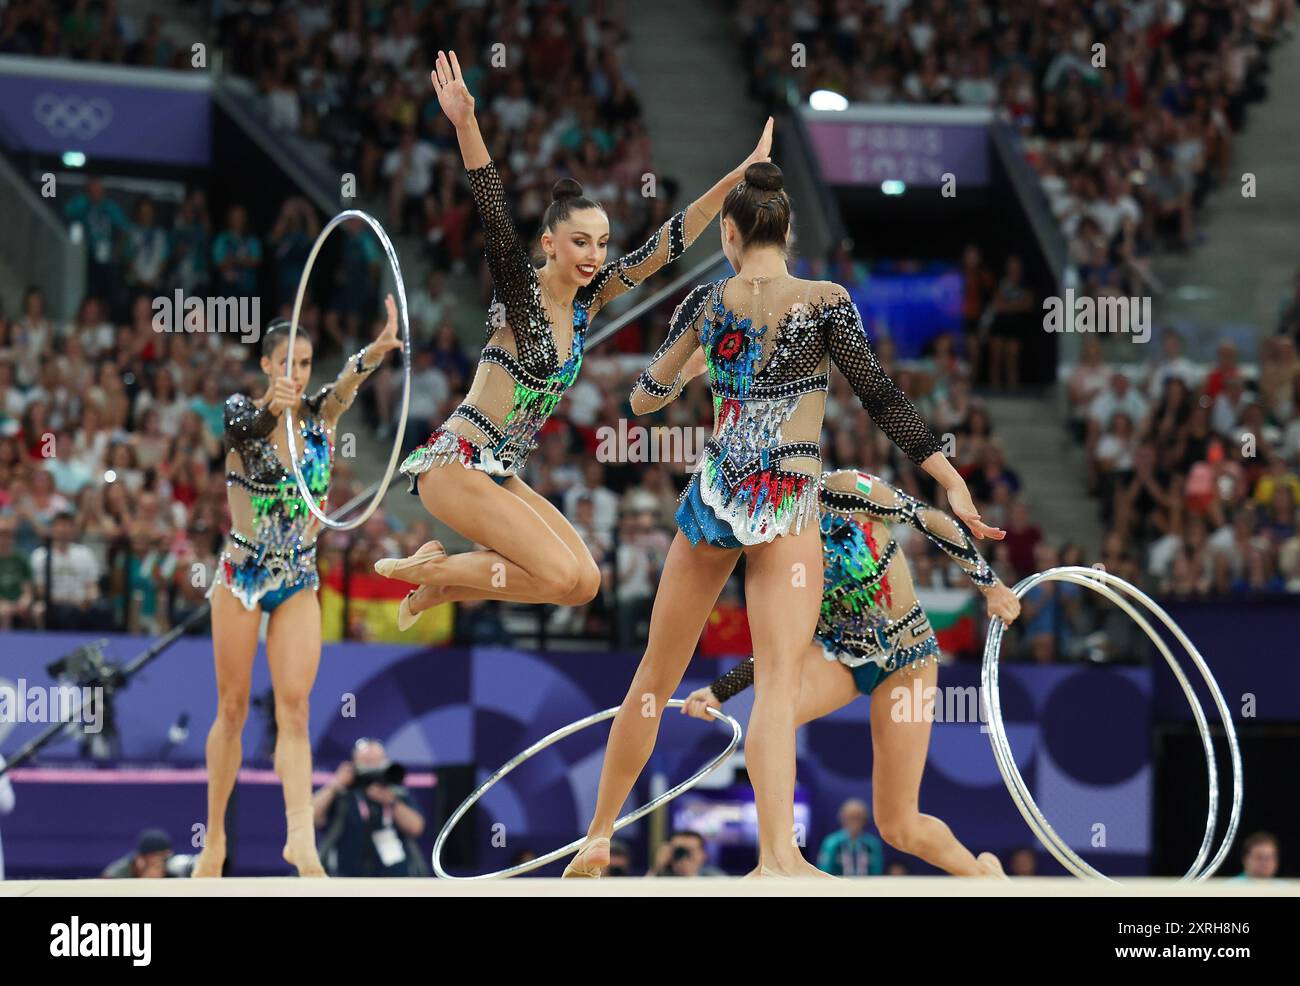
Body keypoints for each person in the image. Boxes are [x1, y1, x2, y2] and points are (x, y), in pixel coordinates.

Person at [563, 162, 995, 879]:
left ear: (728, 234)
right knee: (781, 681)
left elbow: (641, 399)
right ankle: (775, 858)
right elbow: (882, 399)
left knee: (654, 673)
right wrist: (948, 476)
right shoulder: (825, 300)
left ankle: (599, 833)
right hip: (785, 498)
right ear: (787, 230)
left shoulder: (707, 302)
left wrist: (696, 368)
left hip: (716, 496)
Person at [376, 51, 774, 629]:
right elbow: (491, 206)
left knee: (584, 583)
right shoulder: (521, 294)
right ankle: (433, 574)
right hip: (456, 465)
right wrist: (466, 124)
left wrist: (736, 181)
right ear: (549, 244)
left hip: (501, 472)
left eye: (602, 243)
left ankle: (438, 580)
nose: (594, 255)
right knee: (557, 576)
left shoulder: (588, 301)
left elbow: (667, 243)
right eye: (581, 242)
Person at [681, 469, 1016, 878]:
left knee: (899, 826)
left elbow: (927, 517)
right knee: (772, 716)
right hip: (839, 656)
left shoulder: (844, 490)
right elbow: (779, 653)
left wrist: (990, 586)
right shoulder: (768, 542)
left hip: (907, 657)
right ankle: (778, 859)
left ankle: (984, 879)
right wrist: (720, 690)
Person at [191, 306, 401, 878]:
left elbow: (347, 383)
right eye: (286, 361)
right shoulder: (242, 412)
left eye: (305, 362)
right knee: (232, 708)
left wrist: (379, 348)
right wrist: (270, 409)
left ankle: (300, 838)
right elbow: (248, 430)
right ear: (265, 363)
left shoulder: (319, 419)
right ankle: (213, 840)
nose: (298, 372)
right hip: (241, 576)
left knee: (297, 709)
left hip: (297, 577)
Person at [312, 739, 427, 877]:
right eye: (366, 762)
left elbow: (416, 827)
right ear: (354, 763)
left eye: (376, 762)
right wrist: (334, 785)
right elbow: (309, 818)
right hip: (345, 878)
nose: (372, 769)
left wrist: (392, 802)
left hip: (394, 879)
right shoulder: (342, 792)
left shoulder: (395, 791)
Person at [816, 799, 884, 876]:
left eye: (858, 818)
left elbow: (877, 872)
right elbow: (824, 870)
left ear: (865, 819)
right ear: (842, 818)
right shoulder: (832, 843)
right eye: (850, 818)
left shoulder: (872, 844)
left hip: (866, 886)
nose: (855, 822)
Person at [102, 829, 173, 879]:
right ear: (141, 859)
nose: (163, 862)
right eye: (160, 857)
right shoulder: (115, 875)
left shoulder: (171, 869)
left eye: (166, 857)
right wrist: (146, 883)